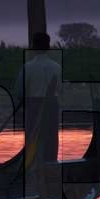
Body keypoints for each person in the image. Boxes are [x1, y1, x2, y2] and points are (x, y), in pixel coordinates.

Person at [12, 30, 63, 165]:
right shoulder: (56, 67)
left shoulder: (27, 67)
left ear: (33, 47)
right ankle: (50, 164)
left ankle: (33, 165)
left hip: (33, 105)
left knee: (32, 137)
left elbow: (19, 92)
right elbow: (59, 89)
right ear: (48, 46)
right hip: (51, 105)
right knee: (51, 138)